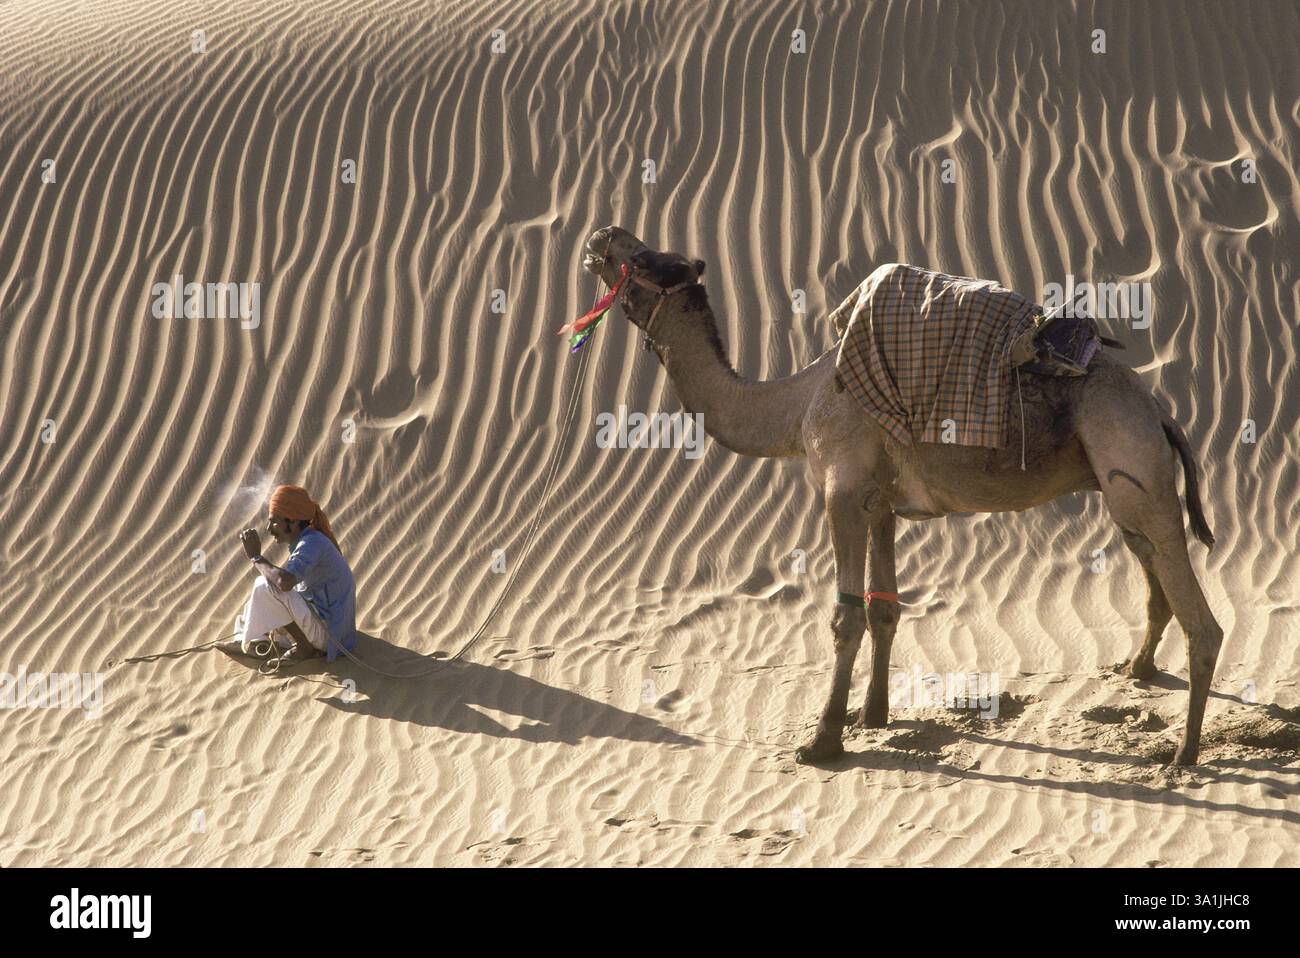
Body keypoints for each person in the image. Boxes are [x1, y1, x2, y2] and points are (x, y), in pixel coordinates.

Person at [220, 484, 359, 666]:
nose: (269, 528)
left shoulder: (312, 543)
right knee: (263, 591)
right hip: (329, 628)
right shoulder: (309, 540)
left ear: (293, 522)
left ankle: (304, 647)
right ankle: (252, 639)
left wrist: (256, 557)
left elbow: (284, 583)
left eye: (274, 521)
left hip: (332, 638)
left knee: (265, 585)